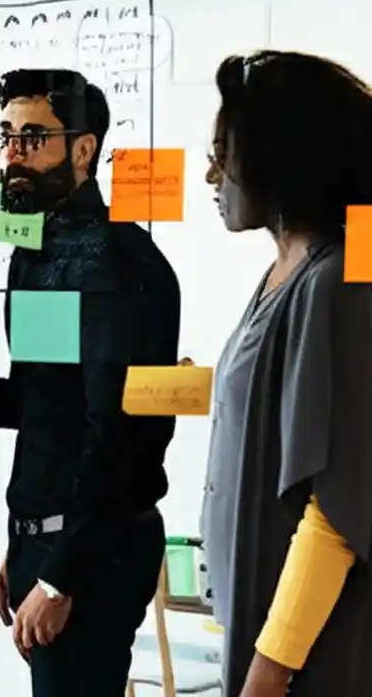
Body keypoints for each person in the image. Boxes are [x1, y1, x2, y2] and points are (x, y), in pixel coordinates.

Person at [0, 70, 182, 696]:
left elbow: (119, 436)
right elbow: (47, 405)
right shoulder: (39, 255)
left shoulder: (118, 261)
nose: (12, 153)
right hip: (47, 542)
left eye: (33, 137)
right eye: (6, 136)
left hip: (93, 555)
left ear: (83, 150)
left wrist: (60, 575)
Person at [199, 50, 372, 696]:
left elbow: (340, 504)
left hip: (308, 653)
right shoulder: (285, 274)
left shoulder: (339, 280)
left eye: (225, 152)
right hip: (264, 626)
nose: (212, 173)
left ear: (283, 156)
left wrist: (269, 670)